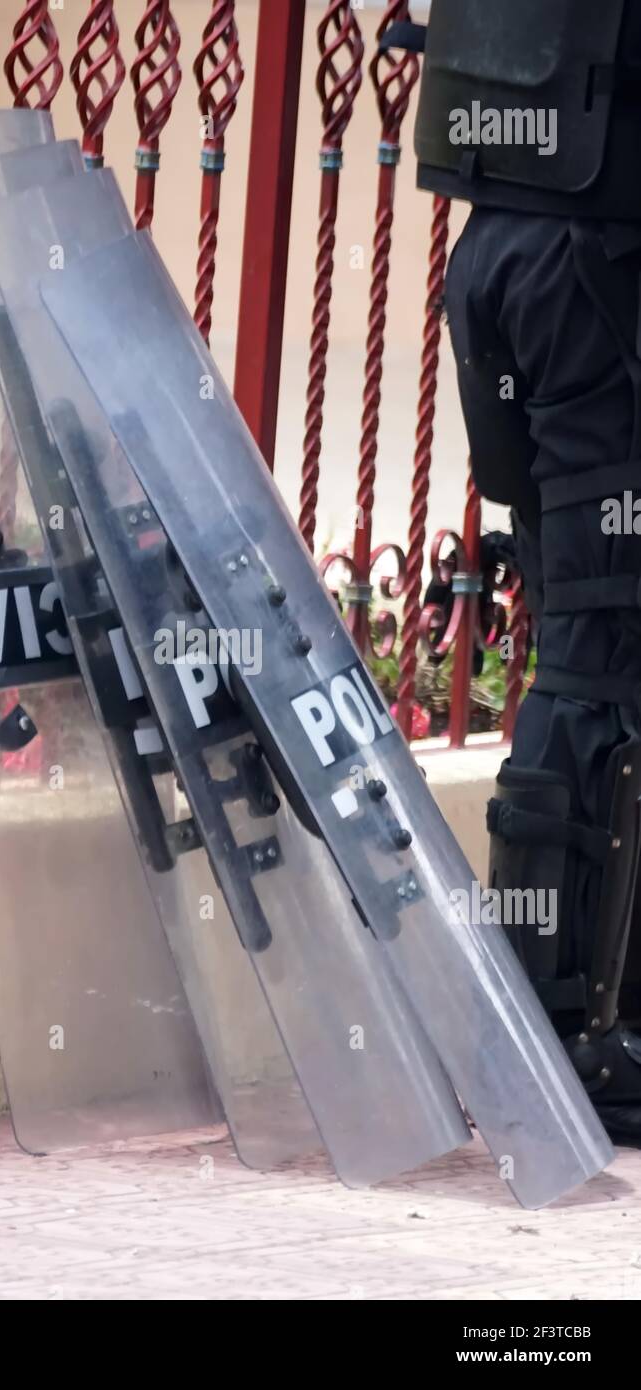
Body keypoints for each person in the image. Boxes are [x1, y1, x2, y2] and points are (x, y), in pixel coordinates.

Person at [393, 0, 641, 1143]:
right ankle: (571, 1038)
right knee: (600, 652)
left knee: (584, 633)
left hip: (509, 237)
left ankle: (580, 1017)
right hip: (589, 250)